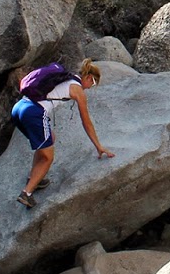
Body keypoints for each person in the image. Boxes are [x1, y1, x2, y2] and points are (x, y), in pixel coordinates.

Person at [11, 59, 114, 208]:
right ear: (88, 77)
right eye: (93, 83)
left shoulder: (64, 78)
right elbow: (86, 122)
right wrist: (98, 145)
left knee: (49, 139)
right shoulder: (77, 89)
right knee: (48, 158)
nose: (91, 87)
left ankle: (34, 178)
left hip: (19, 108)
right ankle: (26, 194)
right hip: (34, 113)